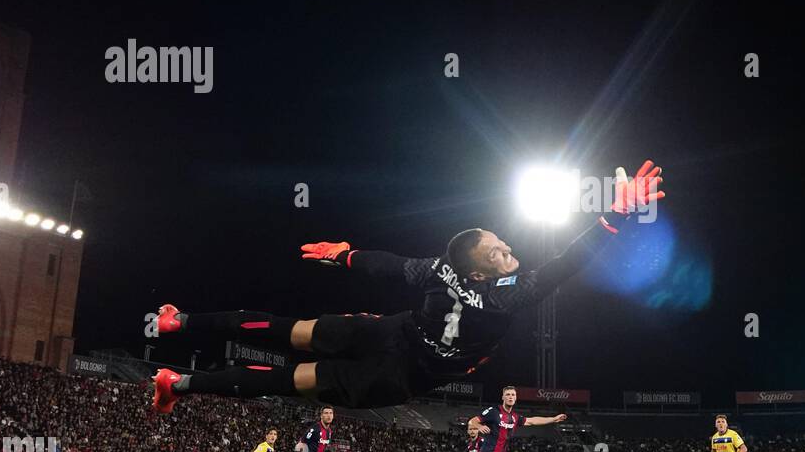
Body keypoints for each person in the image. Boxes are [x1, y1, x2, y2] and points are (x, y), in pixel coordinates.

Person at [148, 161, 664, 412]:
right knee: (291, 375)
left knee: (290, 337)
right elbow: (569, 262)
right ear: (479, 272)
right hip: (400, 371)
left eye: (502, 242)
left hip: (393, 340)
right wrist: (615, 214)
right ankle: (178, 381)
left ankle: (180, 323)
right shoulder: (512, 293)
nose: (508, 248)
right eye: (498, 250)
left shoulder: (439, 270)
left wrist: (347, 256)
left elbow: (390, 266)